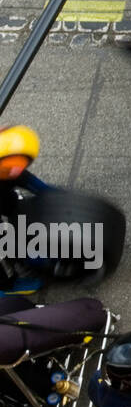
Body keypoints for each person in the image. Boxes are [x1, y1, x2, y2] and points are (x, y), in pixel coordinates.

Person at [0, 125, 53, 294]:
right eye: (14, 166)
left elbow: (26, 179)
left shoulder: (8, 166)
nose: (19, 169)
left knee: (11, 201)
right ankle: (7, 287)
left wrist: (52, 195)